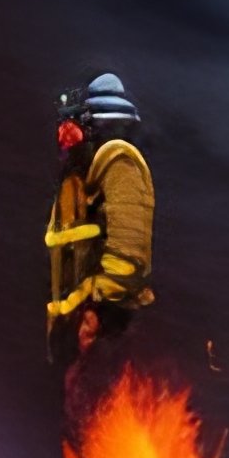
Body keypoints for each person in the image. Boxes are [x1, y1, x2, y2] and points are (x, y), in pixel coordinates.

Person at [45, 71, 155, 417]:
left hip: (109, 330)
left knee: (105, 427)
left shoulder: (118, 160)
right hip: (81, 334)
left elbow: (128, 252)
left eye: (71, 127)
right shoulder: (80, 180)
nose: (64, 138)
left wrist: (98, 313)